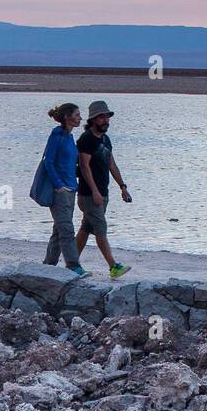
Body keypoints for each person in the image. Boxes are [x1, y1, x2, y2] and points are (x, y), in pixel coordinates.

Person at [76, 100, 132, 279]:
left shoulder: (106, 139)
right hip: (89, 194)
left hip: (103, 192)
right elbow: (84, 166)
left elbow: (111, 163)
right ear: (93, 119)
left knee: (86, 228)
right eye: (101, 117)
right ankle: (113, 266)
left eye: (107, 117)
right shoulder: (86, 139)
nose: (105, 120)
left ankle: (71, 263)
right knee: (101, 227)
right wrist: (94, 191)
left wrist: (123, 187)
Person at [41, 103, 89, 275]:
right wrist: (58, 185)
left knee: (59, 230)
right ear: (67, 117)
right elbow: (48, 161)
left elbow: (68, 164)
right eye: (77, 115)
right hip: (60, 192)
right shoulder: (57, 135)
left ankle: (47, 266)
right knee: (67, 229)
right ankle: (73, 266)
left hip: (71, 189)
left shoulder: (69, 137)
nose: (80, 118)